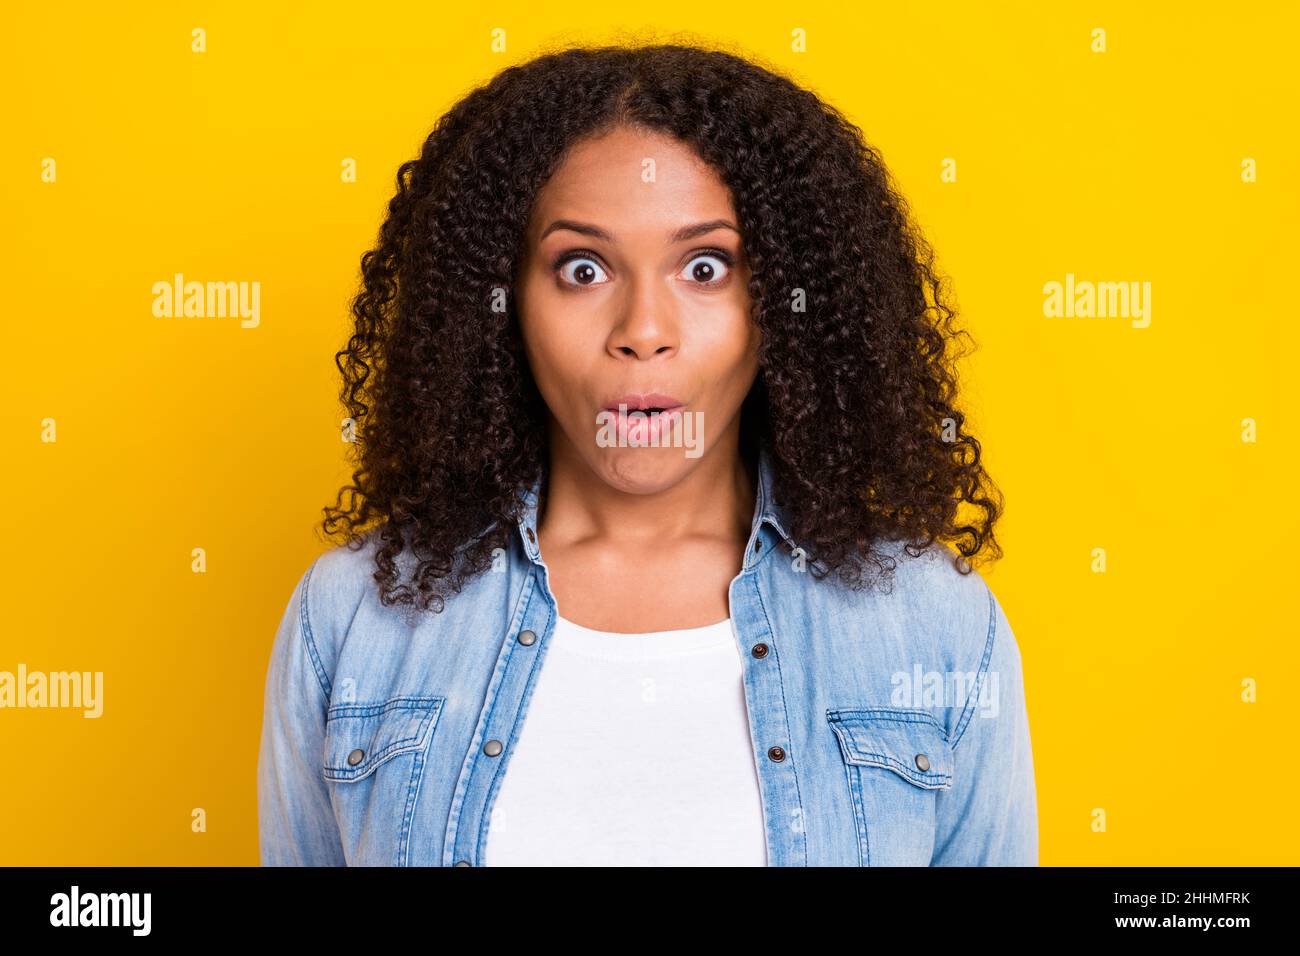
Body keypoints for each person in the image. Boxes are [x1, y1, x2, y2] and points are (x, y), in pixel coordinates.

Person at [257, 42, 1038, 867]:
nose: (642, 331)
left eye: (705, 267)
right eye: (582, 268)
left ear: (780, 303)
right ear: (502, 301)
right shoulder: (353, 621)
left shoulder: (935, 630)